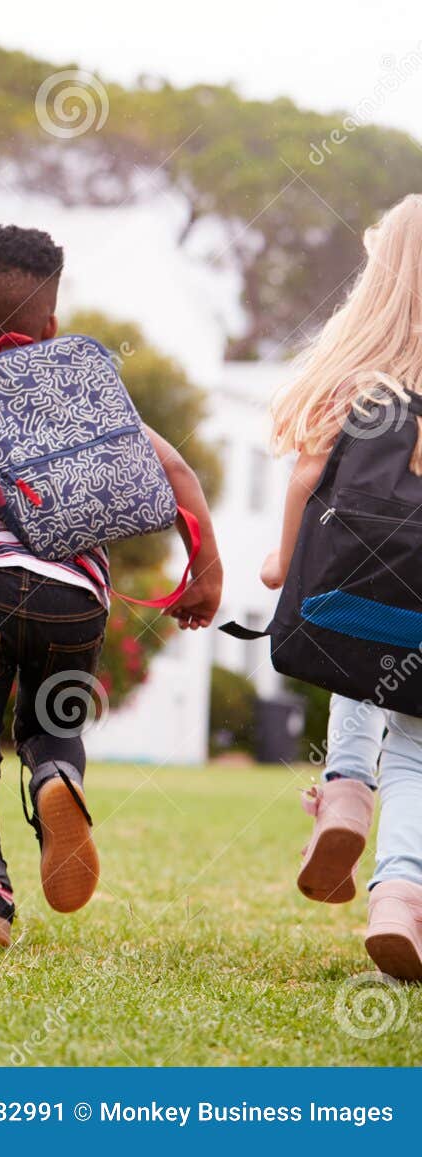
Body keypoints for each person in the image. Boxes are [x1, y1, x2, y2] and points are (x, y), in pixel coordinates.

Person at [0, 225, 223, 950]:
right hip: (75, 600)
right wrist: (204, 574)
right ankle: (56, 773)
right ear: (52, 325)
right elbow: (178, 473)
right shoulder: (88, 401)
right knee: (54, 724)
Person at [263, 194, 422, 977]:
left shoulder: (360, 384)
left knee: (358, 638)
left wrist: (281, 559)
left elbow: (302, 479)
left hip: (355, 608)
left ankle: (346, 790)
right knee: (421, 756)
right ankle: (400, 896)